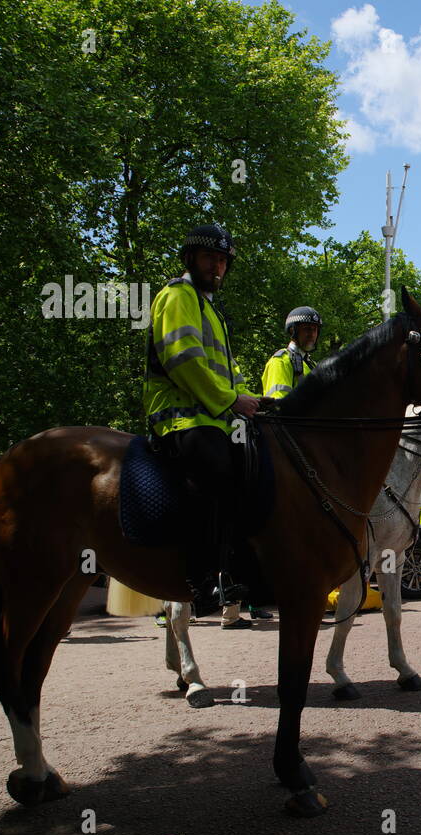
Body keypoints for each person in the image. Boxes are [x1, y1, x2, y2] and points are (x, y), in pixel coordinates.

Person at [143, 224, 260, 616]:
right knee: (216, 468)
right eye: (210, 257)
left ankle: (239, 568)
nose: (217, 266)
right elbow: (183, 359)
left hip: (214, 415)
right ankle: (200, 577)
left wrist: (255, 401)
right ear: (190, 258)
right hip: (179, 414)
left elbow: (229, 373)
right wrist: (230, 400)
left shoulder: (213, 311)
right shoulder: (177, 295)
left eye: (223, 260)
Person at [261, 307, 321, 398]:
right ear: (293, 330)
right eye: (307, 329)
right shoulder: (280, 361)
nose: (312, 334)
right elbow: (278, 402)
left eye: (315, 330)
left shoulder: (312, 365)